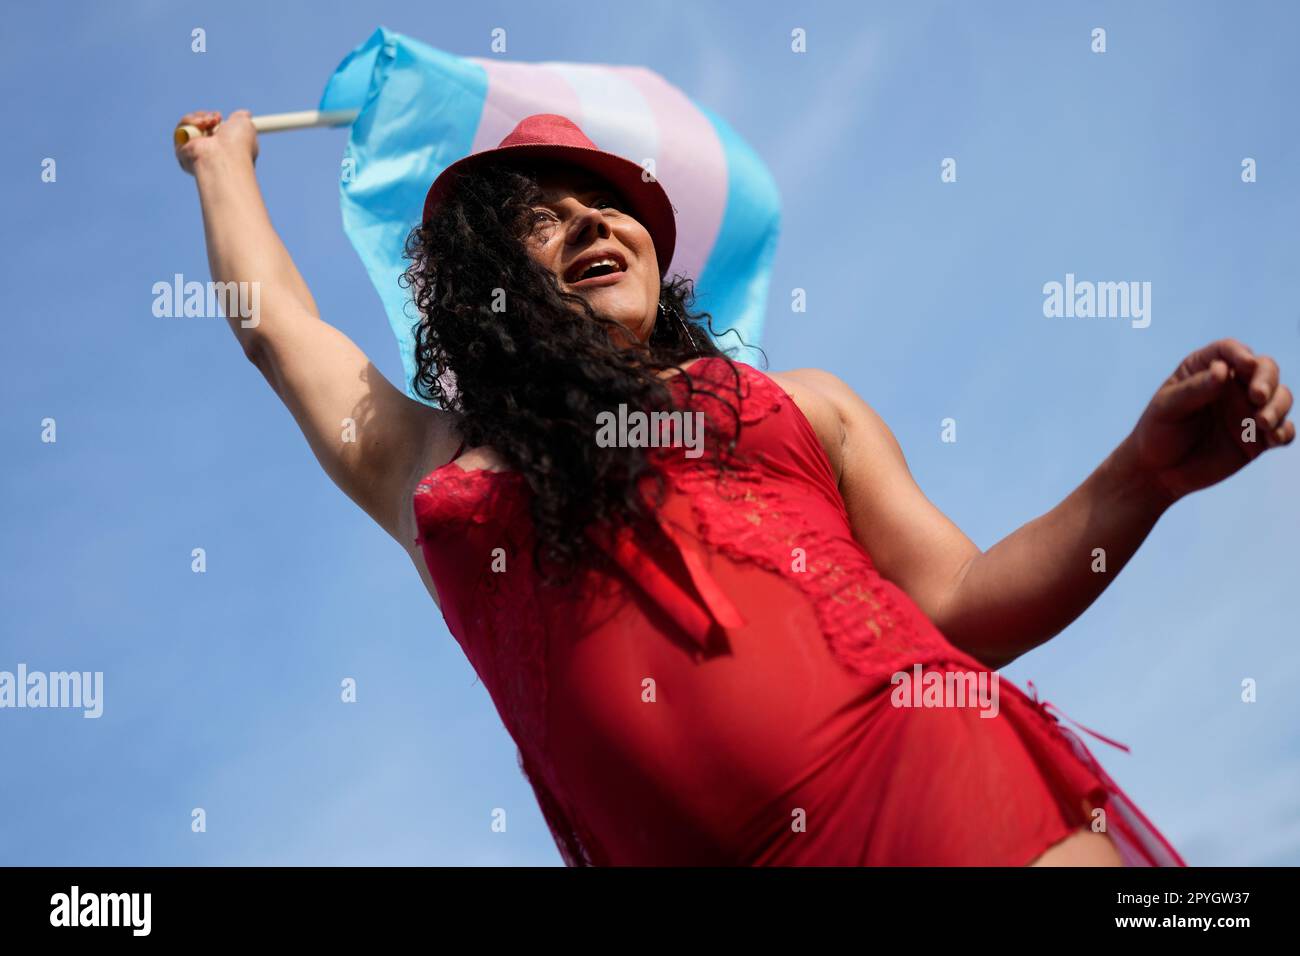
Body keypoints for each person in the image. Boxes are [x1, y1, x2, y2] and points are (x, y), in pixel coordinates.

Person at [176, 108, 1293, 866]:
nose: (585, 222)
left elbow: (959, 604)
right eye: (537, 219)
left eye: (602, 204)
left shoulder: (798, 404)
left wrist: (1141, 476)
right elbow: (280, 332)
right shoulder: (434, 470)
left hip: (953, 796)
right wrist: (221, 169)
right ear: (484, 293)